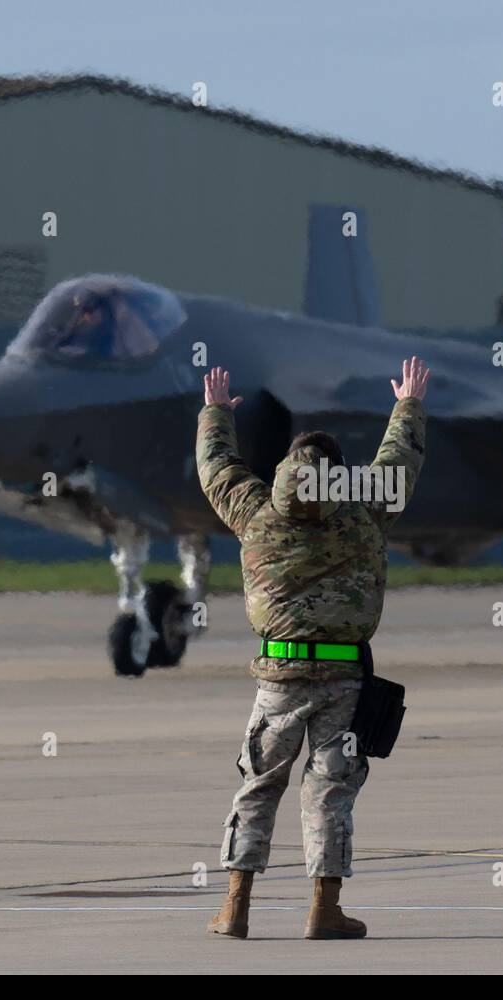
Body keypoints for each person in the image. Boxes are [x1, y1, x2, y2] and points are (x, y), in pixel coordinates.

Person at [196, 356, 429, 939]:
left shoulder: (255, 511)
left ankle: (234, 908)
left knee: (259, 783)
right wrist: (407, 404)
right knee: (330, 790)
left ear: (284, 470)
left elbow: (216, 467)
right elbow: (400, 461)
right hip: (344, 682)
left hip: (278, 676)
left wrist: (215, 413)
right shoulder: (367, 511)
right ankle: (324, 911)